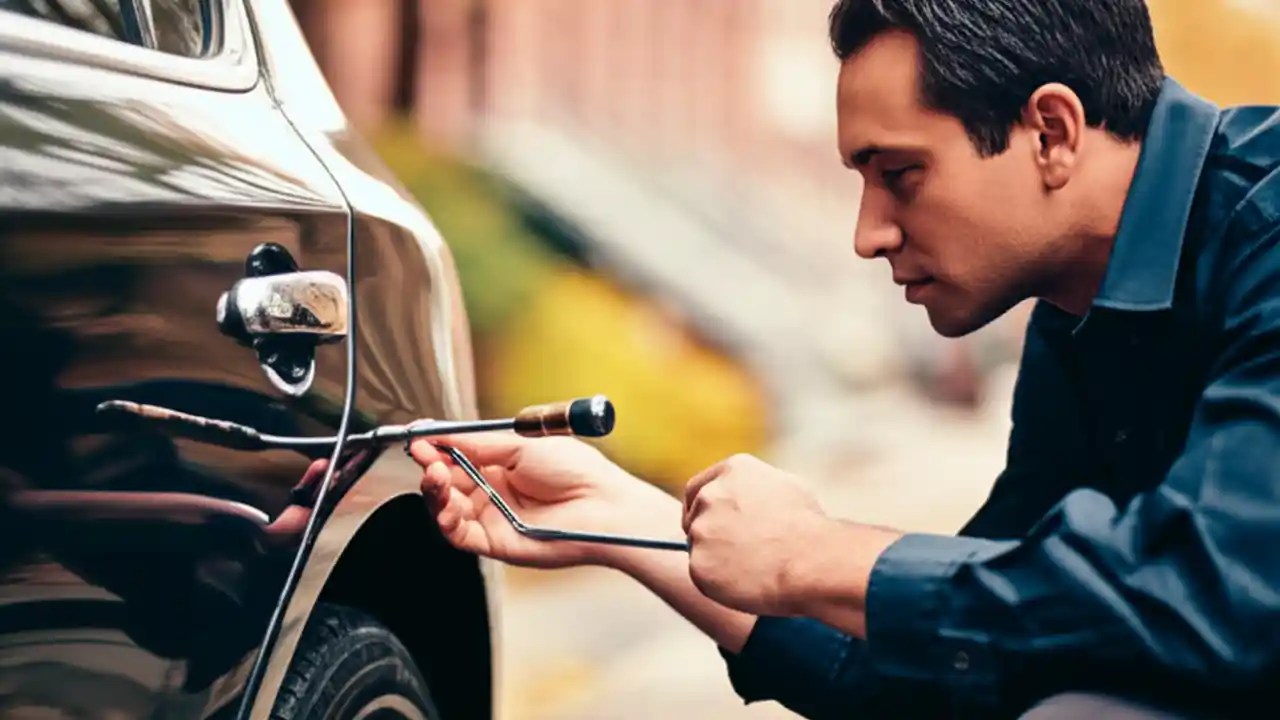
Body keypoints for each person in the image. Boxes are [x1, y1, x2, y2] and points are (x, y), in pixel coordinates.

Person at [409, 0, 1280, 717]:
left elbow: (1220, 598)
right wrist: (626, 521)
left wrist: (815, 556)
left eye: (899, 174)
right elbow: (970, 651)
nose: (869, 235)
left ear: (1051, 132)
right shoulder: (1078, 314)